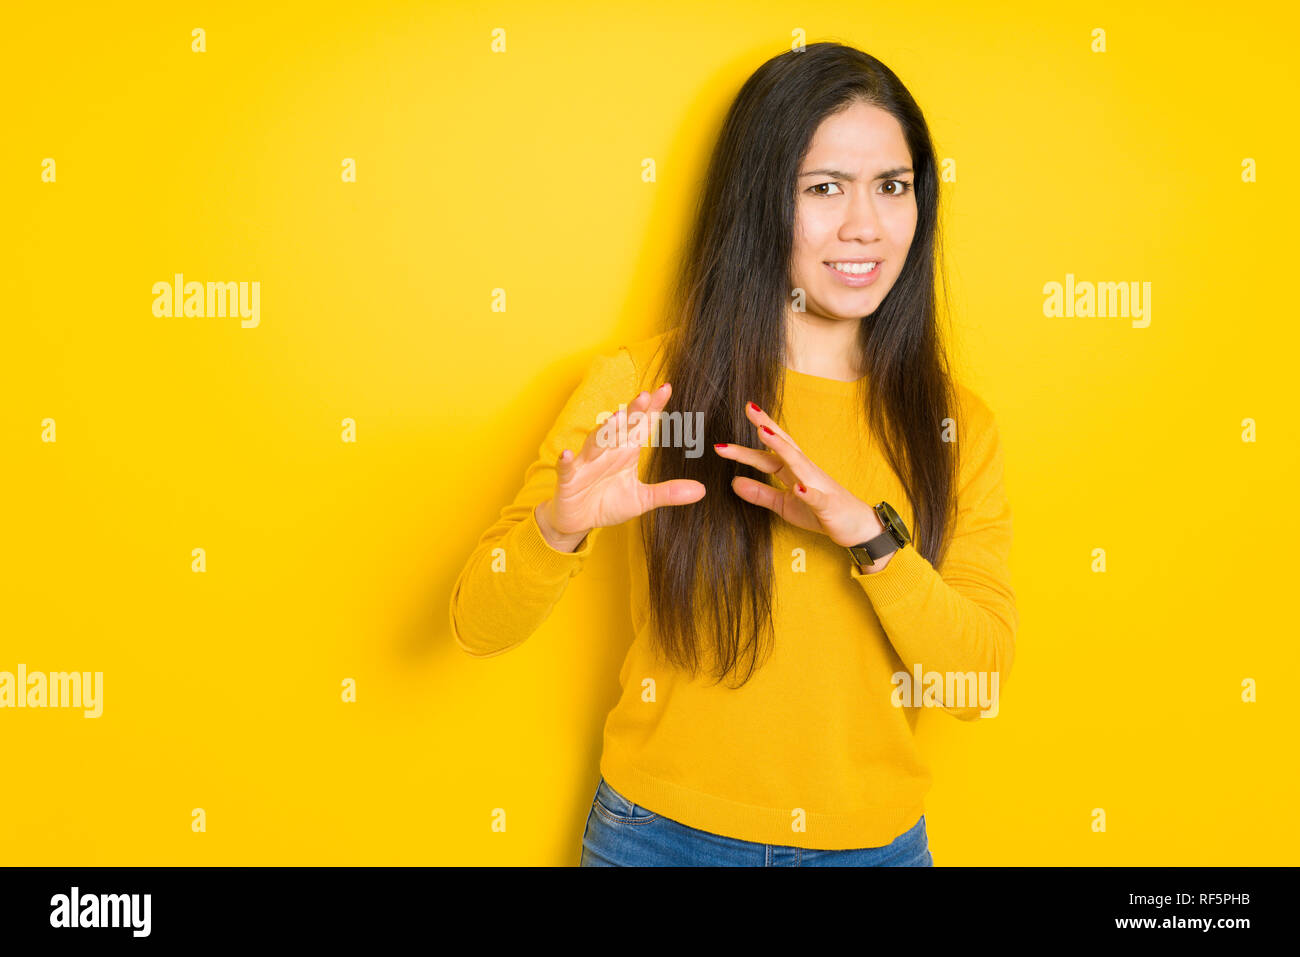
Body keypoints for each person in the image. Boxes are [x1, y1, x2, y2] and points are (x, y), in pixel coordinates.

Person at [449, 41, 1017, 867]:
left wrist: (871, 537)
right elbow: (476, 625)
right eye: (823, 188)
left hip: (873, 850)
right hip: (659, 840)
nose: (865, 225)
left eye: (892, 187)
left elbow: (980, 683)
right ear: (758, 203)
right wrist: (558, 526)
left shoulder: (955, 425)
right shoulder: (647, 387)